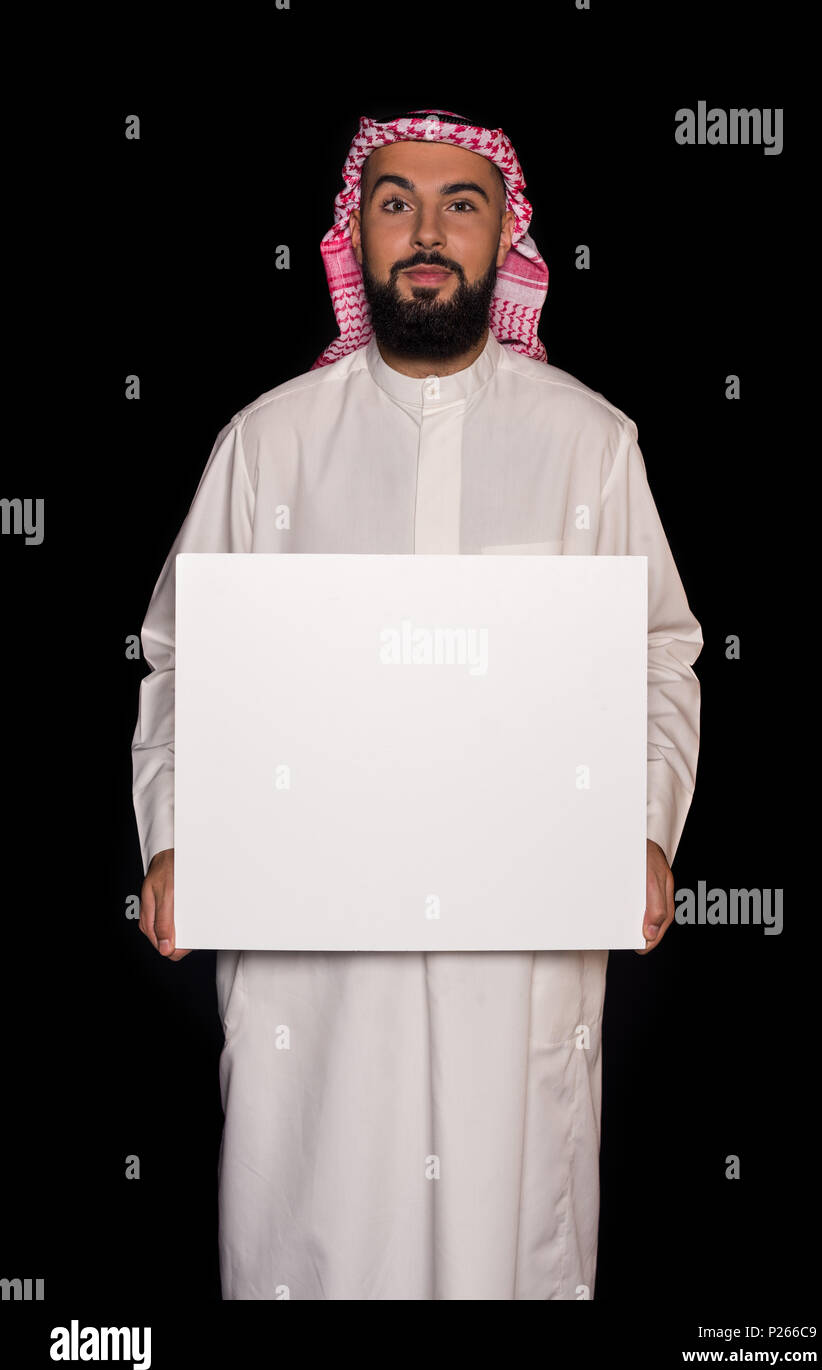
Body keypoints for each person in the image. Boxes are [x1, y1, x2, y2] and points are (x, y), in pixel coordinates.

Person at [131, 109, 703, 1300]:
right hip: (320, 986)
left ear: (506, 240)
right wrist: (176, 834)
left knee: (509, 1244)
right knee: (319, 1227)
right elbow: (183, 656)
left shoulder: (589, 445)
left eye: (460, 203)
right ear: (355, 233)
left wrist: (644, 826)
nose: (427, 231)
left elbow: (658, 649)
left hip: (521, 963)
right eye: (396, 202)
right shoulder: (267, 446)